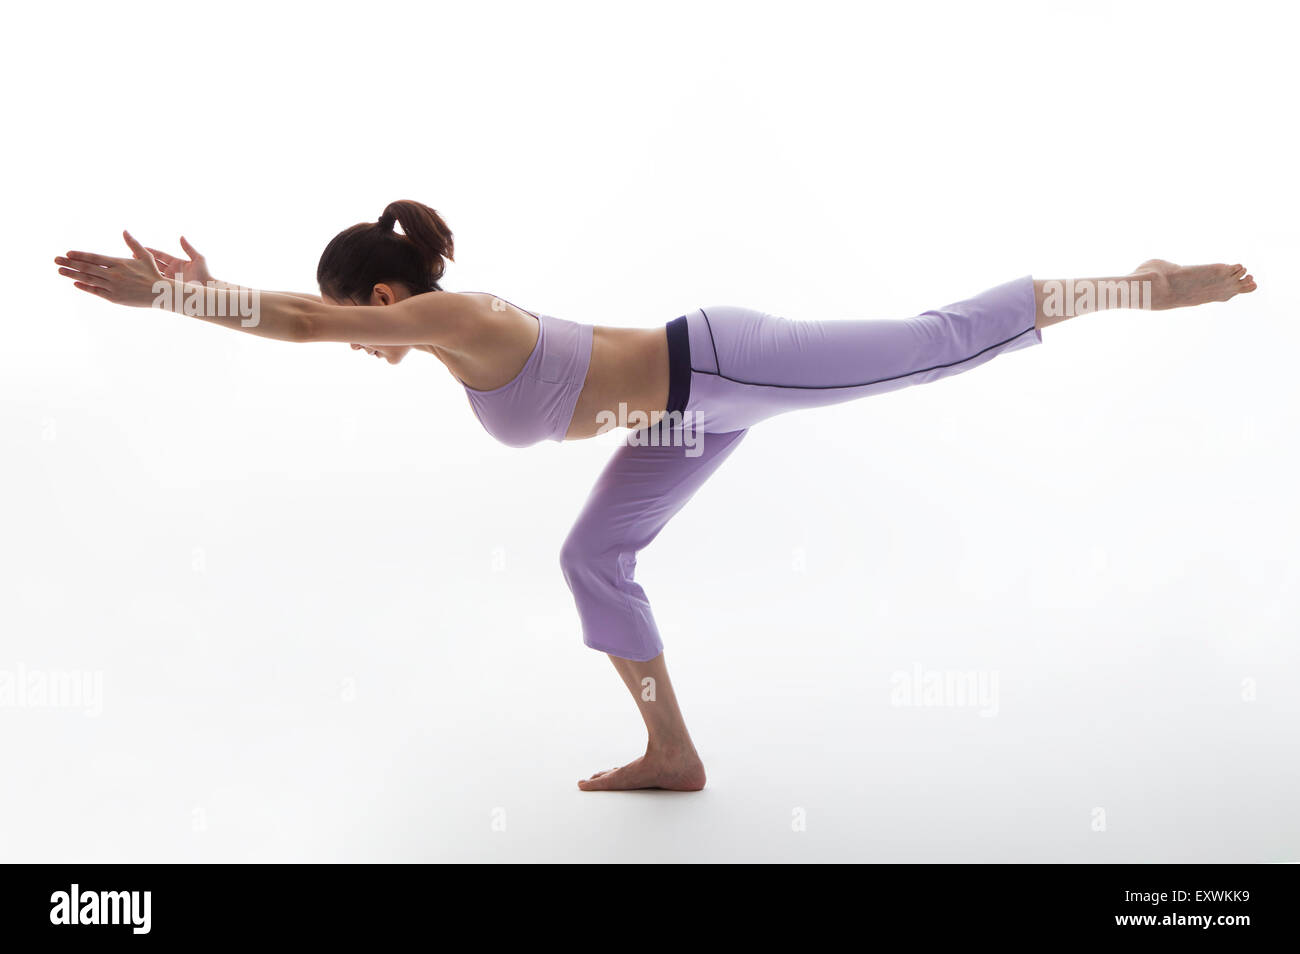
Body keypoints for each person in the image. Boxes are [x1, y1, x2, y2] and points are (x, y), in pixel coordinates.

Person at [54, 199, 1257, 792]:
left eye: (362, 323)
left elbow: (304, 324)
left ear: (386, 298)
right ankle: (671, 754)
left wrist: (176, 302)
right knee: (592, 562)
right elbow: (314, 321)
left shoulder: (456, 320)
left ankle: (1135, 286)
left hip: (722, 363)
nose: (366, 346)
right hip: (684, 415)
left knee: (939, 344)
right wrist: (212, 296)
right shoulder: (447, 336)